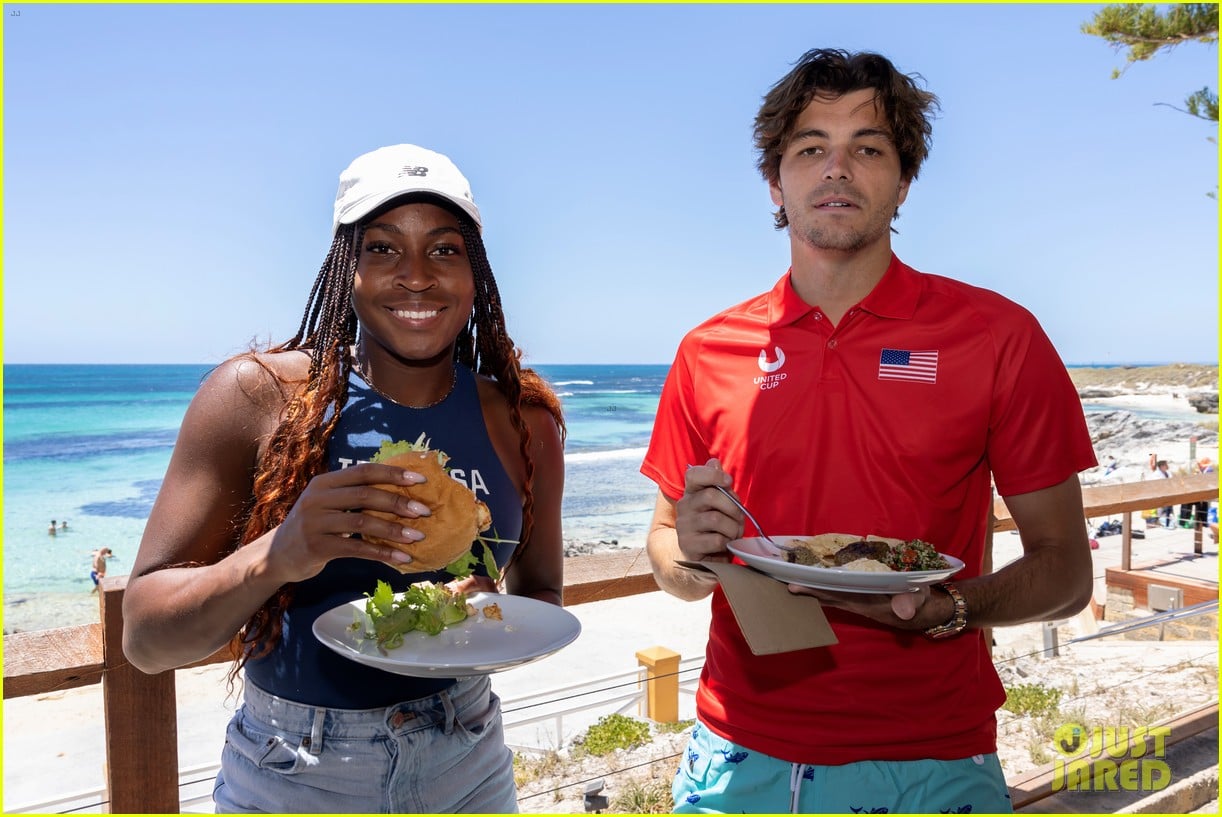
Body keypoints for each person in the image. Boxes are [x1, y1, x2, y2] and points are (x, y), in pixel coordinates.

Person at [640, 49, 1095, 813]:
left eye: (868, 149)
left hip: (930, 758)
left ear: (904, 180)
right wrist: (692, 547)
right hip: (734, 754)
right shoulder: (706, 349)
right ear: (775, 182)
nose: (837, 169)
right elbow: (667, 558)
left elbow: (1066, 571)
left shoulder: (997, 335)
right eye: (810, 148)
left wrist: (953, 609)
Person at [121, 144, 566, 813]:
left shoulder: (524, 420)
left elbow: (543, 594)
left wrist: (484, 609)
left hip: (468, 757)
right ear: (346, 269)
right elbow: (146, 639)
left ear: (476, 273)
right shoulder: (258, 396)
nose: (416, 276)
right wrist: (281, 553)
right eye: (383, 248)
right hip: (295, 769)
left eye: (445, 249)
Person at [1151, 458, 1174, 527]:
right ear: (1161, 466)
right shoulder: (1156, 474)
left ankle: (1168, 522)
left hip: (1169, 493)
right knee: (1161, 509)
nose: (1167, 466)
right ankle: (1160, 522)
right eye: (1165, 464)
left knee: (1169, 509)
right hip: (1160, 494)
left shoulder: (1168, 473)